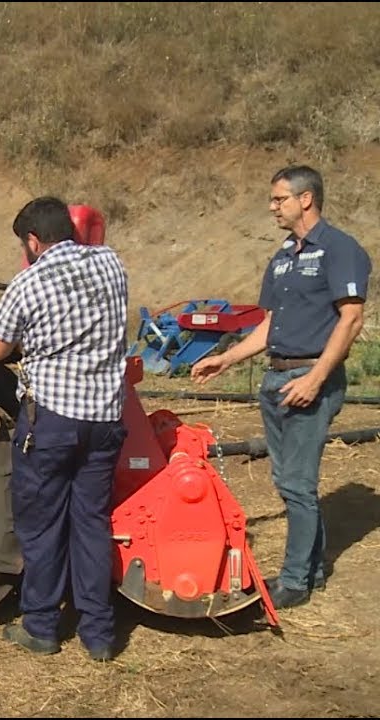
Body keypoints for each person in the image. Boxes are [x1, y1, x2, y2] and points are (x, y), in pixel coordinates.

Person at [191, 165, 371, 609]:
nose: (272, 207)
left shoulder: (340, 250)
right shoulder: (285, 255)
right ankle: (313, 568)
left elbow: (351, 320)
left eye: (279, 199)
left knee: (297, 483)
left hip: (309, 377)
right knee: (287, 480)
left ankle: (294, 582)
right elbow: (269, 325)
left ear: (305, 199)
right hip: (277, 377)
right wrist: (227, 357)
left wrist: (315, 378)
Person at [0, 196, 130, 662]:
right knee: (91, 522)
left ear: (32, 240)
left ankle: (42, 627)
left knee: (43, 524)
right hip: (106, 419)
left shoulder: (28, 283)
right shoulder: (112, 264)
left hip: (52, 422)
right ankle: (99, 635)